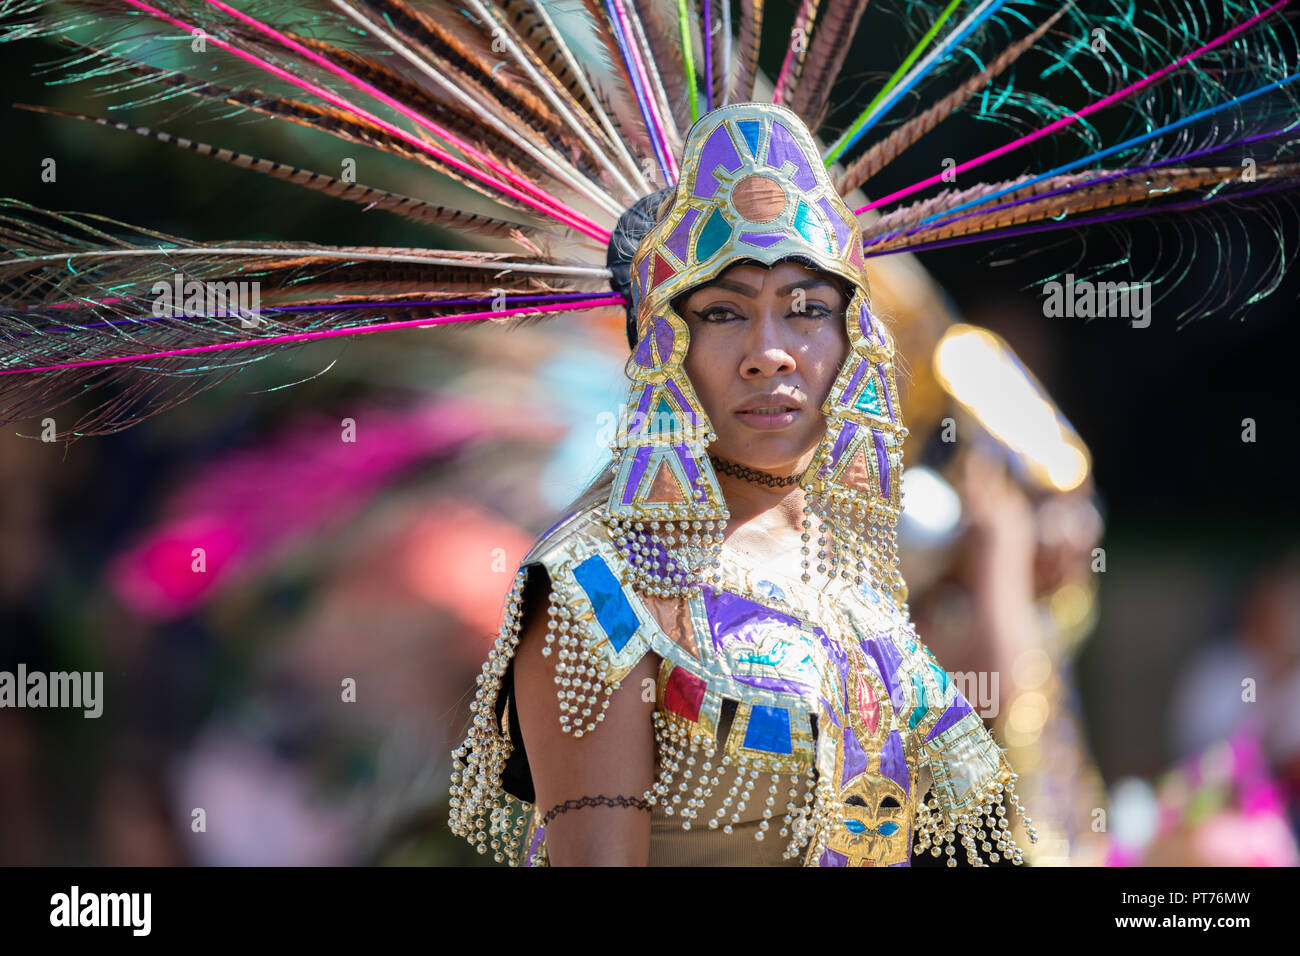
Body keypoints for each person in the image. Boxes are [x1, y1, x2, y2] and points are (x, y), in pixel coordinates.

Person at [448, 102, 1035, 867]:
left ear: (851, 340)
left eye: (807, 309)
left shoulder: (848, 561)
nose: (770, 352)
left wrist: (1004, 552)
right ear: (664, 348)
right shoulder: (597, 585)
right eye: (724, 313)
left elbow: (999, 731)